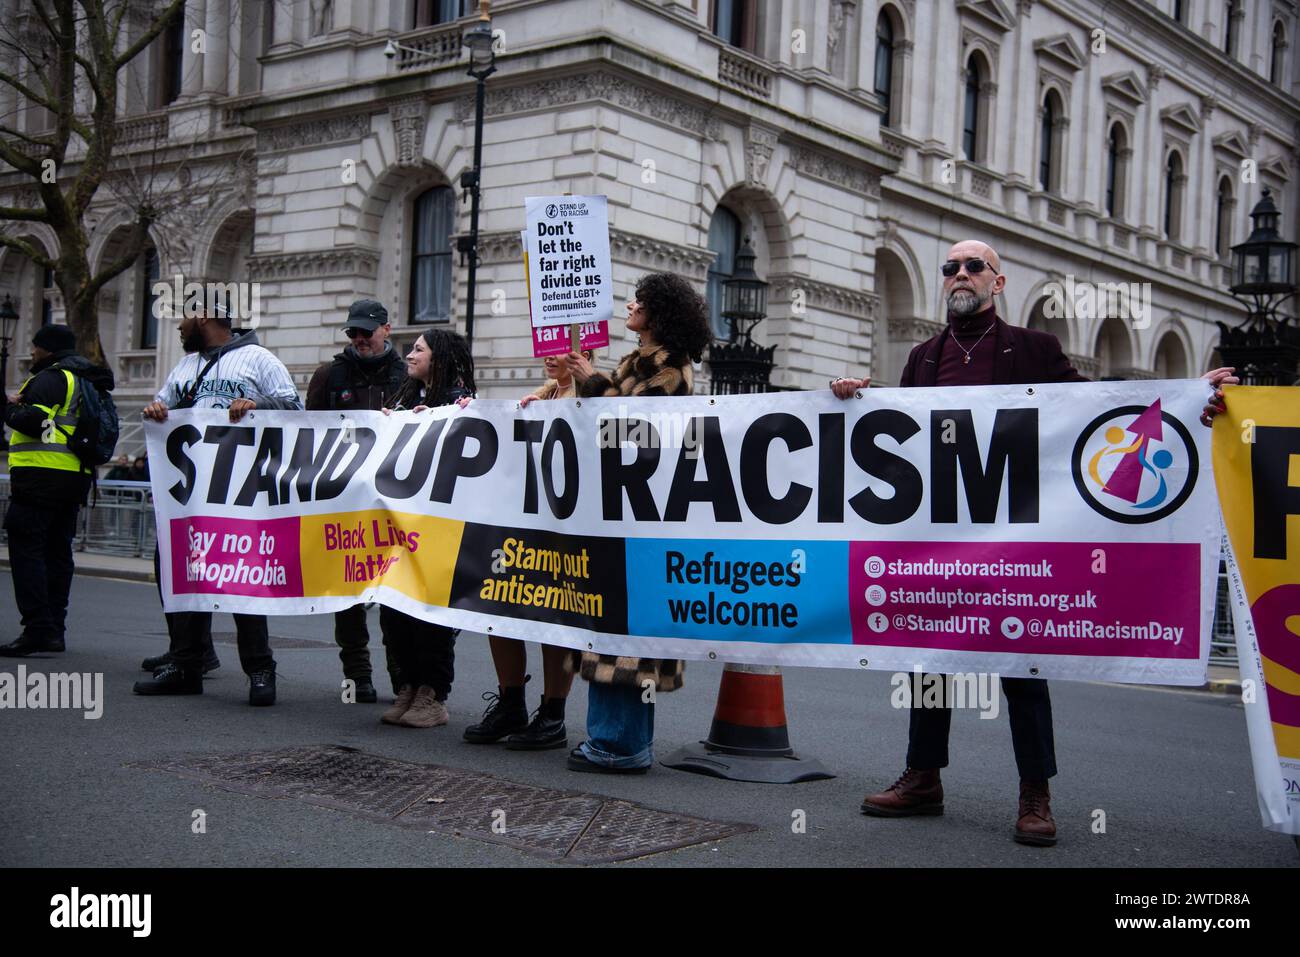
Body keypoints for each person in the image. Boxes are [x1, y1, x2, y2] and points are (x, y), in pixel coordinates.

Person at [833, 239, 1238, 846]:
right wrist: (852, 399)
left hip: (1017, 542)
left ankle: (1035, 795)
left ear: (998, 283)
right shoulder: (921, 357)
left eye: (974, 267)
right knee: (931, 657)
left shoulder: (1035, 350)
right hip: (940, 541)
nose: (959, 275)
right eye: (950, 268)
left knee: (1023, 662)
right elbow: (901, 435)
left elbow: (1100, 411)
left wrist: (1185, 397)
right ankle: (923, 777)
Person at [558, 272, 712, 773]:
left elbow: (635, 427)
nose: (628, 305)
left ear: (658, 313)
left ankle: (619, 744)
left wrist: (592, 381)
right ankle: (615, 739)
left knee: (626, 636)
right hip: (619, 512)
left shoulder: (671, 368)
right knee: (612, 629)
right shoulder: (637, 362)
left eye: (639, 301)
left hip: (640, 517)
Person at [133, 303, 303, 704]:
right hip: (190, 497)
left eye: (184, 318)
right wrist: (157, 411)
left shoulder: (259, 359)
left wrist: (258, 407)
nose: (178, 326)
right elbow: (163, 408)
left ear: (205, 318)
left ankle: (260, 670)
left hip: (239, 496)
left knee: (243, 579)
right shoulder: (185, 366)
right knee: (182, 575)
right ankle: (187, 664)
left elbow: (296, 411)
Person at [461, 349, 595, 750]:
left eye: (561, 349)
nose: (549, 357)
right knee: (499, 605)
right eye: (546, 347)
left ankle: (552, 715)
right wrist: (475, 413)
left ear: (583, 352)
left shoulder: (592, 394)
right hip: (525, 522)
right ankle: (511, 703)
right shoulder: (541, 397)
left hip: (566, 527)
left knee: (556, 616)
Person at [305, 299, 407, 704]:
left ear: (386, 328)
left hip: (396, 506)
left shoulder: (407, 374)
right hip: (344, 503)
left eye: (367, 331)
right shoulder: (329, 376)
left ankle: (402, 676)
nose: (360, 339)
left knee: (397, 593)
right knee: (347, 594)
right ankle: (358, 674)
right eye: (353, 332)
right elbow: (308, 436)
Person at [375, 328, 470, 728]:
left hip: (437, 531)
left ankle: (433, 694)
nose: (409, 356)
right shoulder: (402, 400)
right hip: (397, 530)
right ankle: (408, 686)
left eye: (418, 350)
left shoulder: (460, 403)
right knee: (394, 611)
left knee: (429, 614)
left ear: (440, 358)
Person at [0, 324, 114, 657]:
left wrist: (7, 407)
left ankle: (38, 628)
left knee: (27, 550)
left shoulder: (51, 378)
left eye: (35, 346)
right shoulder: (83, 378)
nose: (32, 352)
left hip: (40, 477)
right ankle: (54, 629)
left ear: (48, 349)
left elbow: (37, 423)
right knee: (57, 553)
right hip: (73, 477)